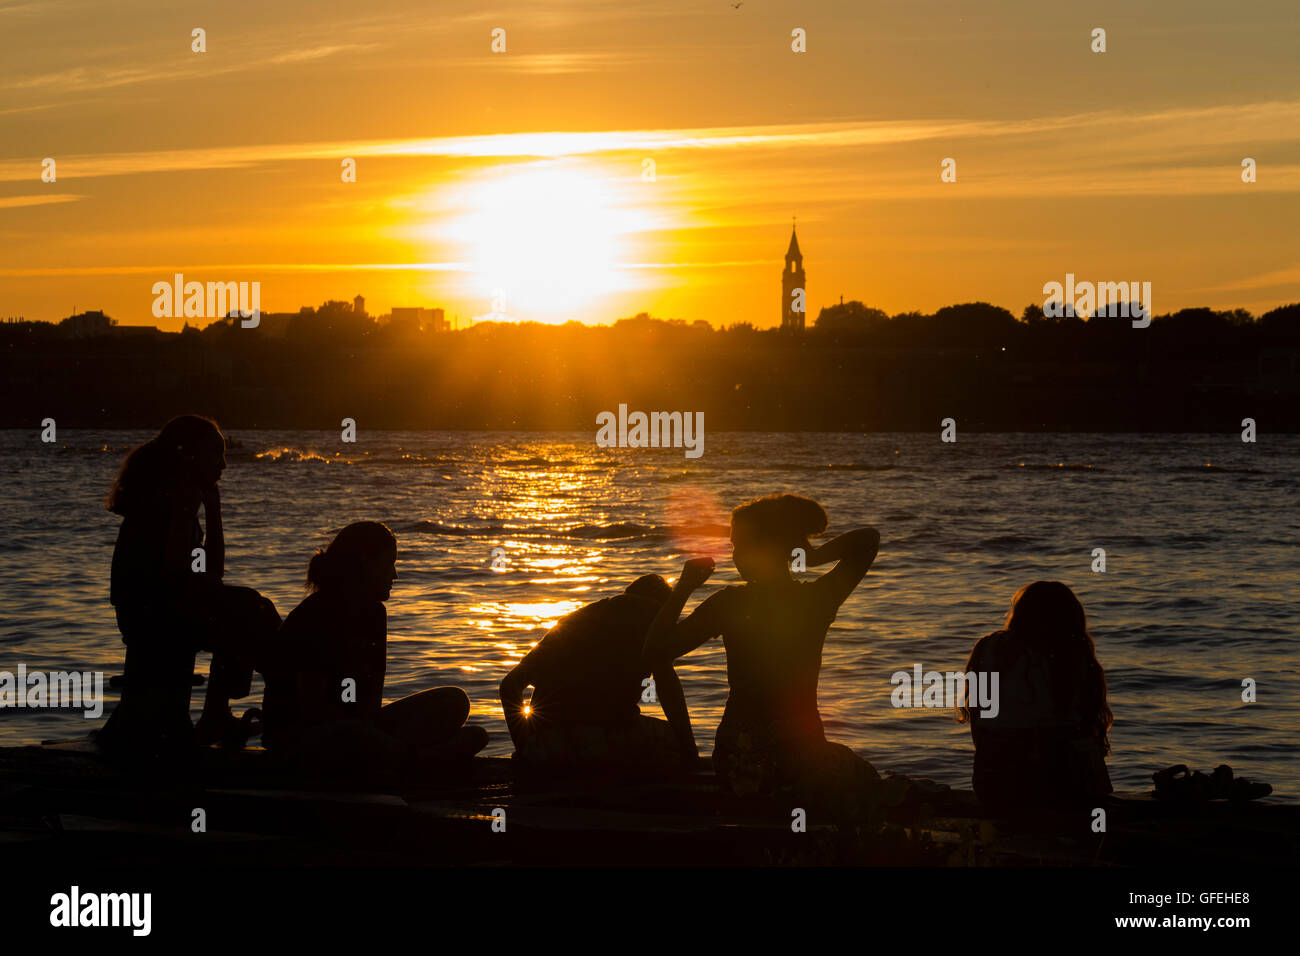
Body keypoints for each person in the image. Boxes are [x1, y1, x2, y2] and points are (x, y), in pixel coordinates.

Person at [642, 493, 882, 819]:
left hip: (736, 764)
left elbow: (655, 652)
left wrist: (683, 588)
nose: (735, 554)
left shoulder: (728, 603)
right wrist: (809, 555)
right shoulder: (818, 598)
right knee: (870, 782)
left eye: (740, 545)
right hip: (801, 762)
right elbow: (868, 541)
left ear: (768, 547)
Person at [99, 415, 279, 757]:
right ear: (189, 457)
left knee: (252, 609)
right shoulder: (162, 503)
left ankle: (224, 711)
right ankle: (224, 714)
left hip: (168, 607)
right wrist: (186, 512)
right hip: (151, 616)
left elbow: (210, 574)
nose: (224, 464)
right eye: (217, 454)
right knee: (251, 610)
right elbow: (175, 573)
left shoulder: (182, 500)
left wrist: (213, 510)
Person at [261, 521, 487, 780]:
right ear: (366, 562)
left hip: (359, 729)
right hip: (303, 739)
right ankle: (416, 762)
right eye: (389, 564)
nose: (395, 575)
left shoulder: (374, 614)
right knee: (352, 734)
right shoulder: (316, 615)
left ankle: (402, 759)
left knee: (455, 702)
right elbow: (313, 710)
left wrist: (376, 731)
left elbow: (371, 701)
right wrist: (367, 731)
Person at [499, 574, 682, 774]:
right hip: (600, 744)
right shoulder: (649, 619)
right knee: (673, 739)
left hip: (547, 746)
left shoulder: (573, 623)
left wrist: (526, 749)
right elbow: (667, 687)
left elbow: (509, 686)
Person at [956, 581, 1113, 812]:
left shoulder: (989, 648)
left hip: (996, 785)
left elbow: (979, 721)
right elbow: (1089, 723)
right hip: (1065, 786)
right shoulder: (1073, 651)